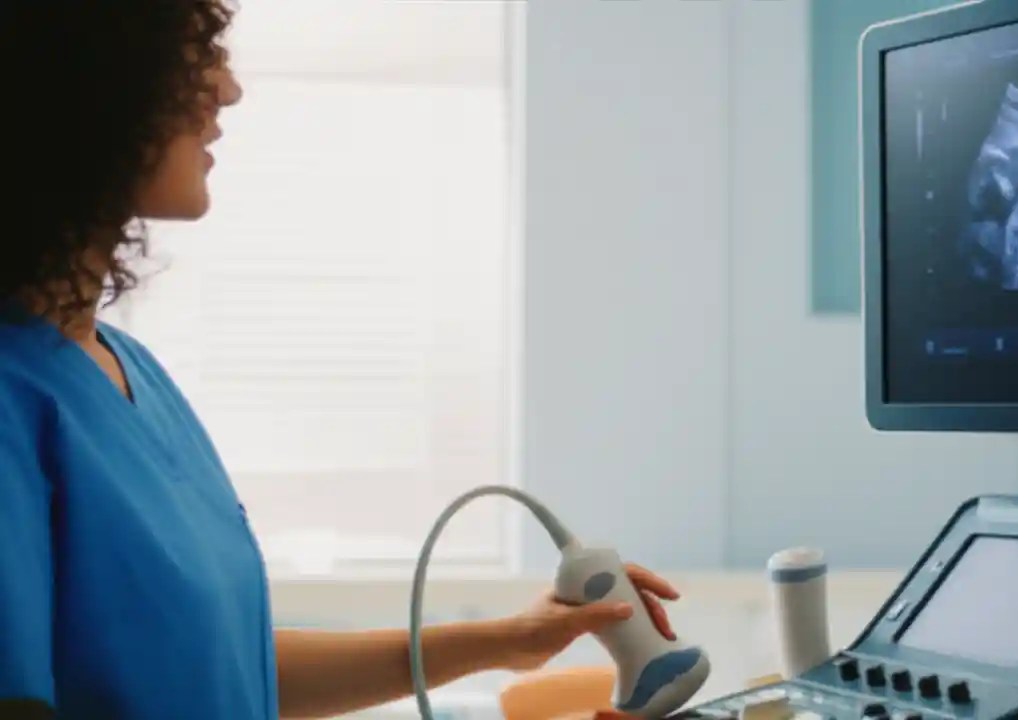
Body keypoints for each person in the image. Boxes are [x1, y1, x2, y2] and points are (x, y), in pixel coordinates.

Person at [0, 2, 677, 719]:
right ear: (80, 80)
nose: (227, 90)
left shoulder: (127, 371)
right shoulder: (17, 402)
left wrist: (511, 640)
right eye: (193, 57)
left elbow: (233, 667)